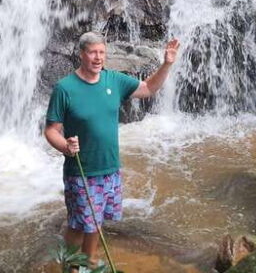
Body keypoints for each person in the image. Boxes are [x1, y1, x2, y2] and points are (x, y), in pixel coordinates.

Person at [44, 31, 180, 267]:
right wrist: (65, 146)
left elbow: (148, 88)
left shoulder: (114, 80)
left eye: (102, 53)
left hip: (110, 169)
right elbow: (51, 130)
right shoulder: (65, 88)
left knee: (94, 222)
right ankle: (76, 265)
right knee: (80, 224)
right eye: (92, 52)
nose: (98, 58)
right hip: (82, 170)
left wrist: (166, 64)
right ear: (81, 54)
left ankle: (84, 264)